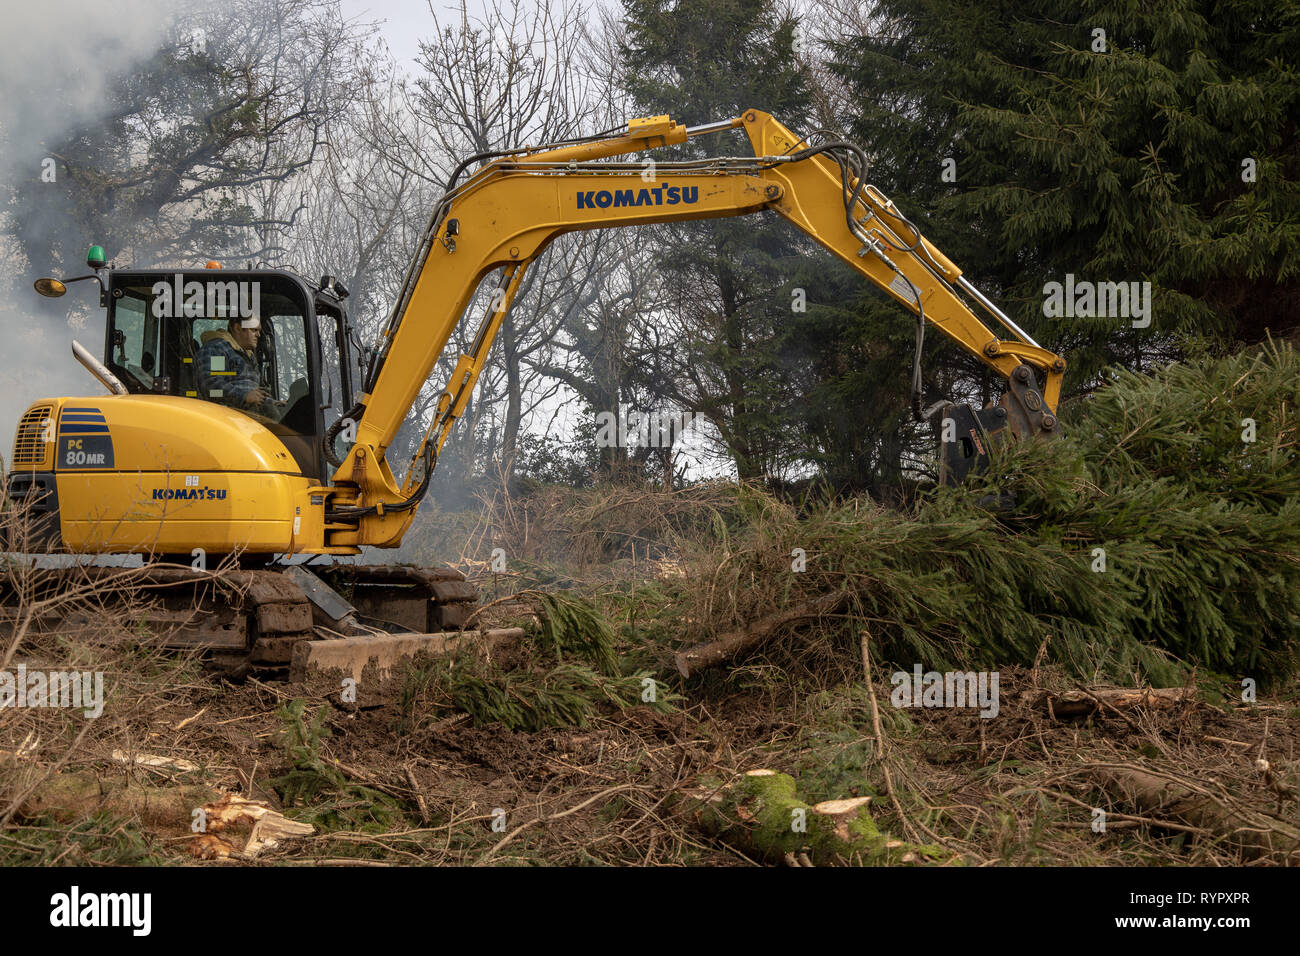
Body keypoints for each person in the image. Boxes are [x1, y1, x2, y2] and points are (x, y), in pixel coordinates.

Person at [196, 315, 278, 417]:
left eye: (259, 330)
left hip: (248, 416)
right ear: (238, 328)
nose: (259, 335)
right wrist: (243, 396)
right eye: (253, 330)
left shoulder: (249, 356)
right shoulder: (218, 349)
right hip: (225, 417)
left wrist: (273, 402)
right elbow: (212, 387)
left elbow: (254, 392)